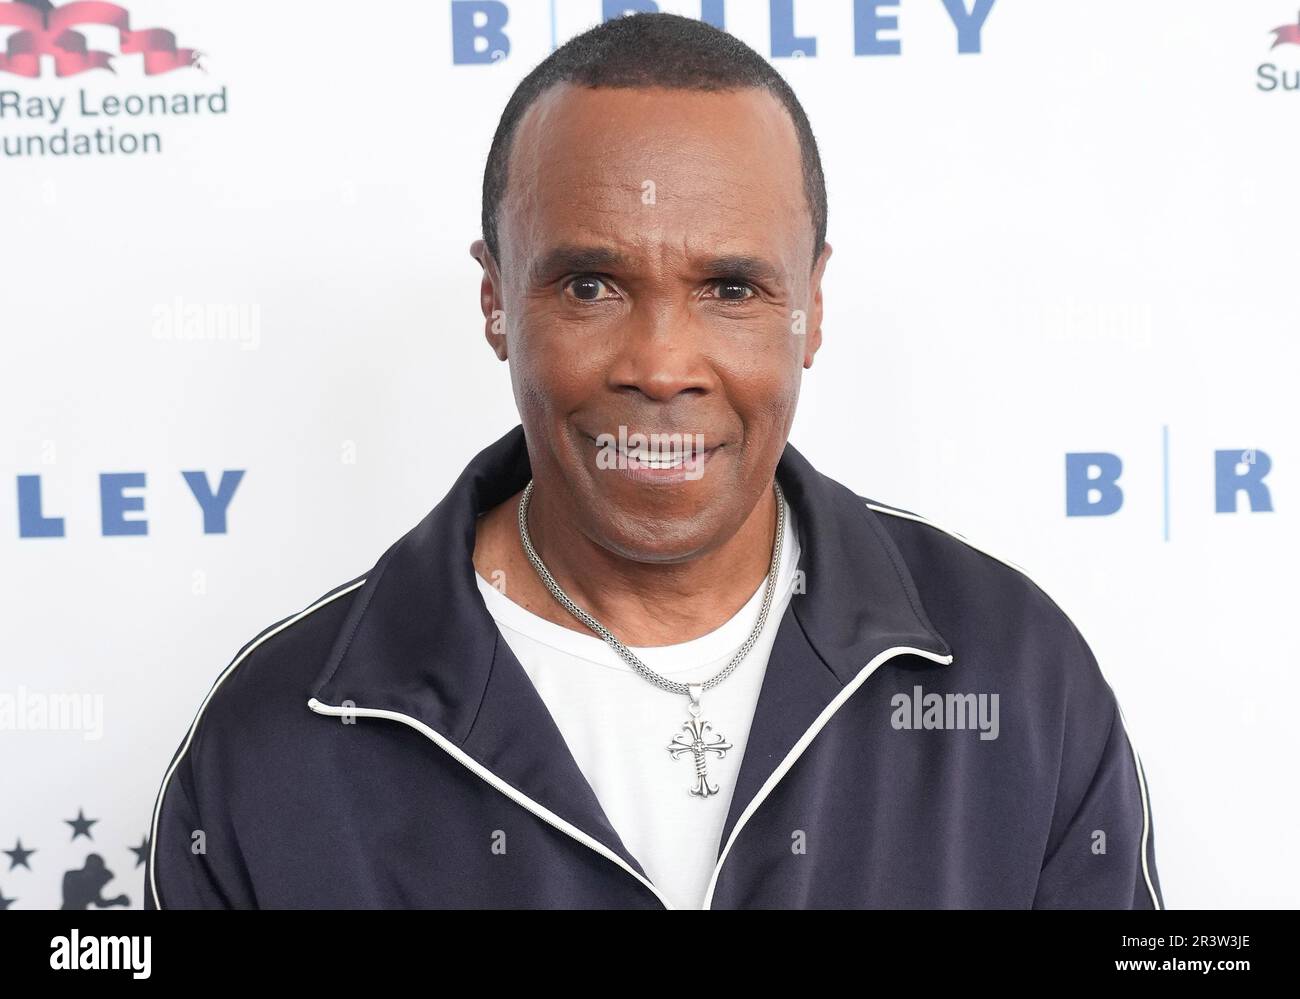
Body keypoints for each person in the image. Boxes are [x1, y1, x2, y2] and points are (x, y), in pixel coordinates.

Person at [145, 12, 1163, 910]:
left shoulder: (1014, 674)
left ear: (810, 306)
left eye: (729, 289)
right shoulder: (281, 740)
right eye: (590, 286)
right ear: (496, 299)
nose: (662, 365)